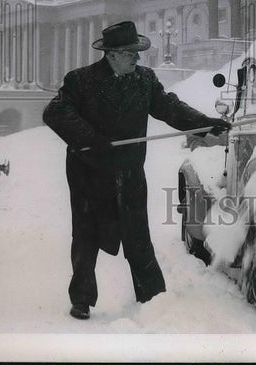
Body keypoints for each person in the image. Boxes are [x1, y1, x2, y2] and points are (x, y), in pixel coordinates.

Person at [42, 20, 230, 320]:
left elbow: (169, 108)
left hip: (129, 172)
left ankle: (153, 298)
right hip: (89, 173)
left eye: (137, 53)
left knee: (137, 235)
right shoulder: (81, 80)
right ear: (112, 54)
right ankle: (82, 299)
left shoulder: (144, 80)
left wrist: (206, 123)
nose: (137, 58)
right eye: (131, 53)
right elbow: (55, 112)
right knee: (86, 236)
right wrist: (93, 140)